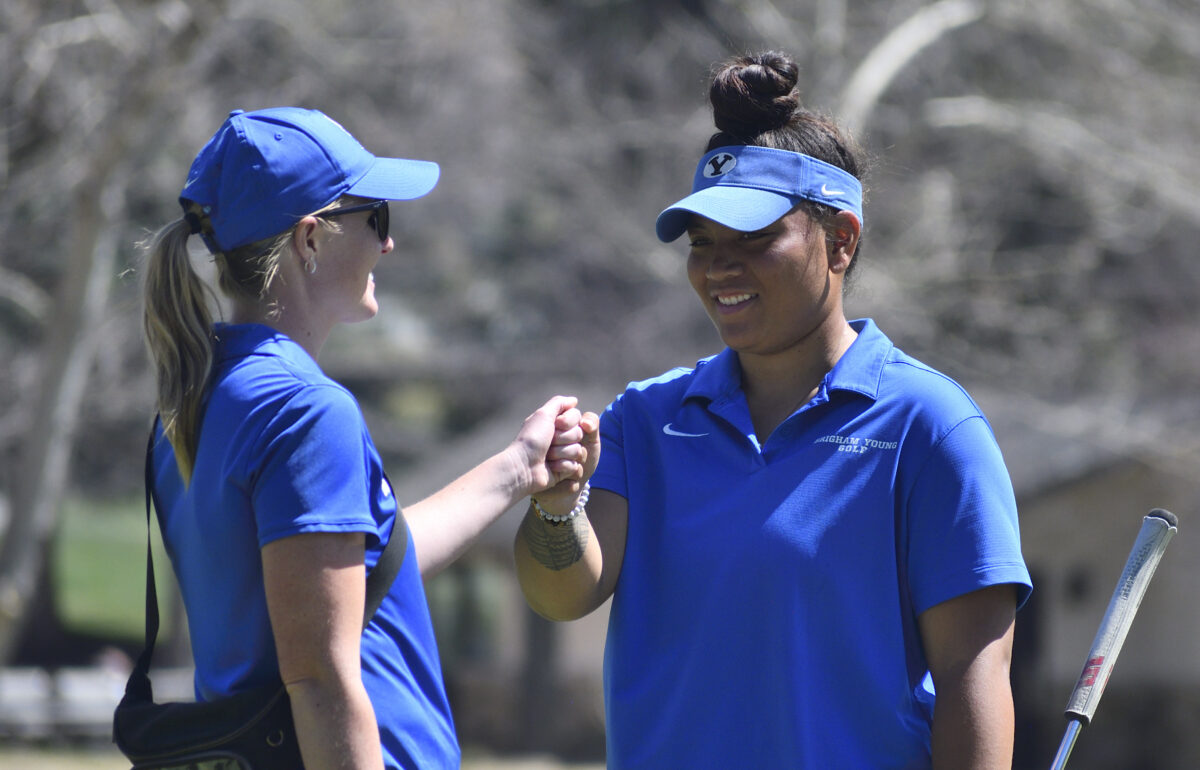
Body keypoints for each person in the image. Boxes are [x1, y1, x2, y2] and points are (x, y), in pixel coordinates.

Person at [513, 52, 1032, 769]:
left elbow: (976, 681)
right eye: (702, 245)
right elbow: (562, 595)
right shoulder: (645, 420)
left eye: (754, 241)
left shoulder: (930, 428)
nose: (720, 267)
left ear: (841, 241)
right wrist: (555, 509)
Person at [142, 107, 591, 770]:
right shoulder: (306, 411)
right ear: (311, 240)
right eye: (376, 216)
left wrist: (518, 468)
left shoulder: (197, 401)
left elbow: (362, 564)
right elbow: (320, 678)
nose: (388, 245)